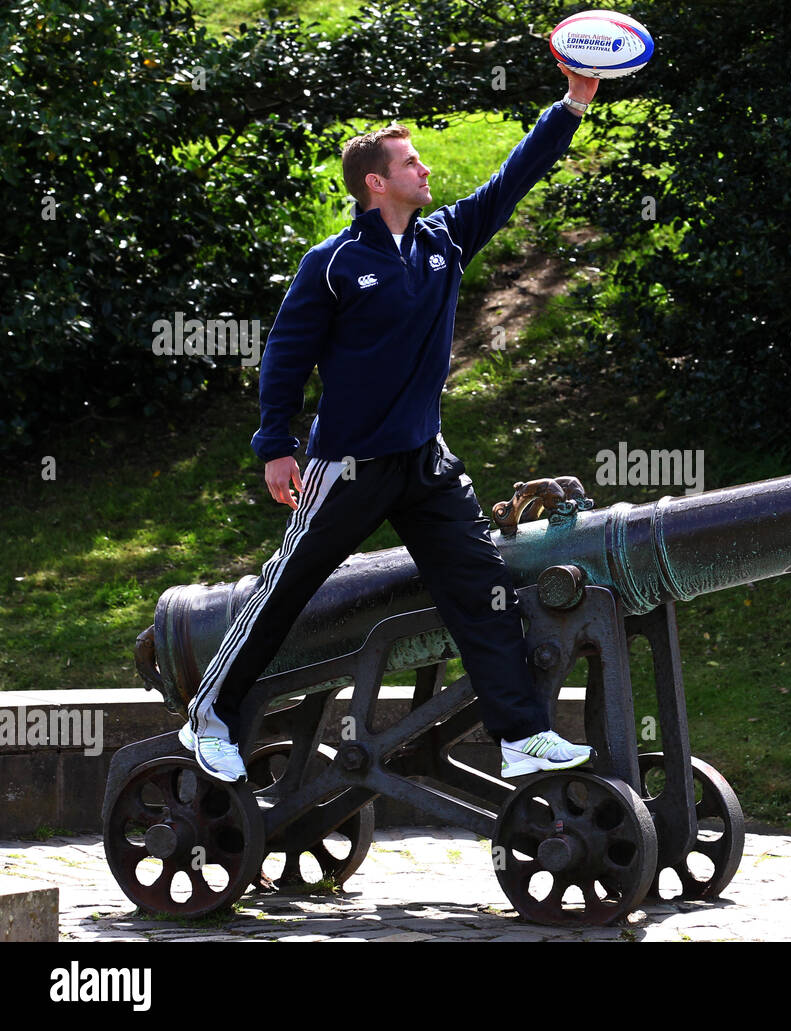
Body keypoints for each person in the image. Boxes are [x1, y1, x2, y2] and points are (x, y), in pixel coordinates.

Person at [179, 66, 600, 783]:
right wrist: (276, 446)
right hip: (348, 467)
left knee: (483, 589)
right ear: (376, 182)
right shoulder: (335, 263)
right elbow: (285, 355)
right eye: (410, 161)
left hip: (425, 464)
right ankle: (208, 716)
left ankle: (522, 735)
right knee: (284, 591)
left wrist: (573, 105)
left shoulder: (445, 241)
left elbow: (513, 179)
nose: (425, 167)